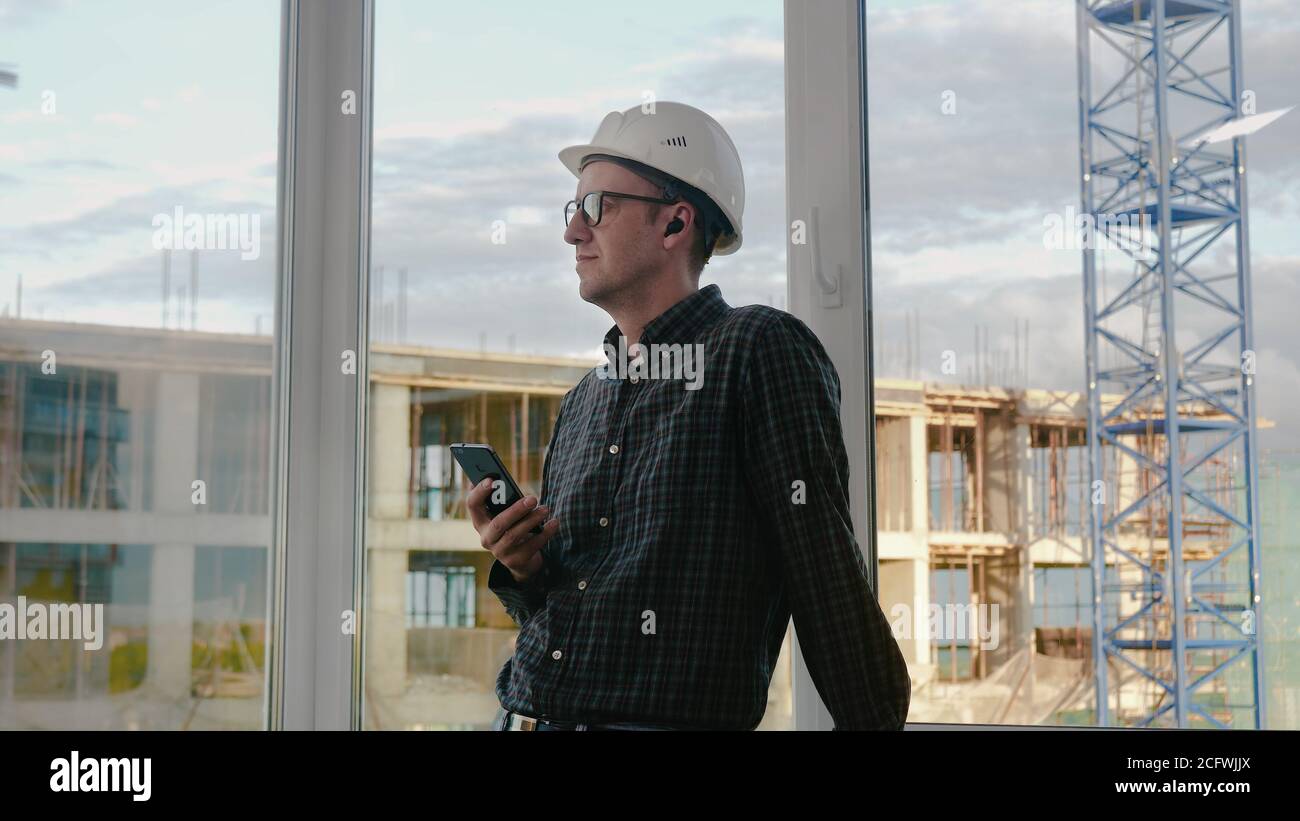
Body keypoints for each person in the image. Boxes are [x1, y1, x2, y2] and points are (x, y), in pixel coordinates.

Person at [467, 101, 910, 731]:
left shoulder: (758, 349)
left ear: (676, 224)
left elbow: (825, 574)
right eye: (573, 211)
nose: (573, 232)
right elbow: (570, 613)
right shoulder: (585, 400)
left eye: (598, 207)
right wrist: (524, 566)